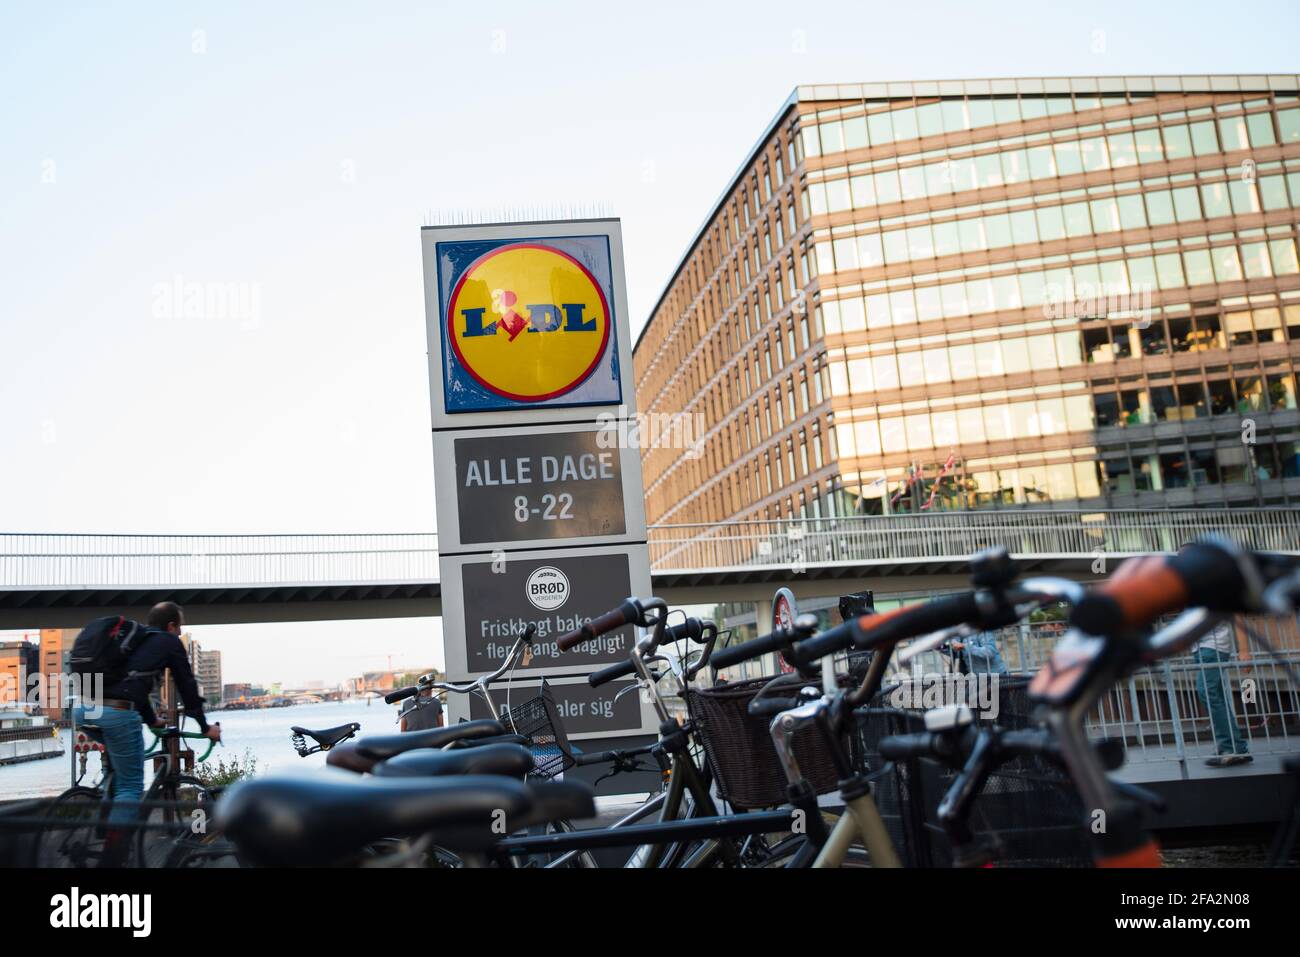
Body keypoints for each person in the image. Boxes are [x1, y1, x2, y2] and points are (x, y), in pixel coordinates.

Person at [74, 601, 221, 864]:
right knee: (130, 786)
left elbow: (132, 686)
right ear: (172, 625)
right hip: (116, 713)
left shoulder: (132, 641)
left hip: (83, 710)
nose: (179, 632)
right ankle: (112, 858)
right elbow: (188, 687)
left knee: (116, 773)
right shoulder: (169, 642)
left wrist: (152, 720)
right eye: (180, 626)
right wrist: (205, 727)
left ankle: (102, 827)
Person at [1191, 619, 1251, 767]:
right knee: (1216, 695)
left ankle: (1230, 747)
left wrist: (1244, 650)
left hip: (1213, 647)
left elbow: (1238, 617)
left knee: (1206, 692)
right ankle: (1235, 747)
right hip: (1200, 648)